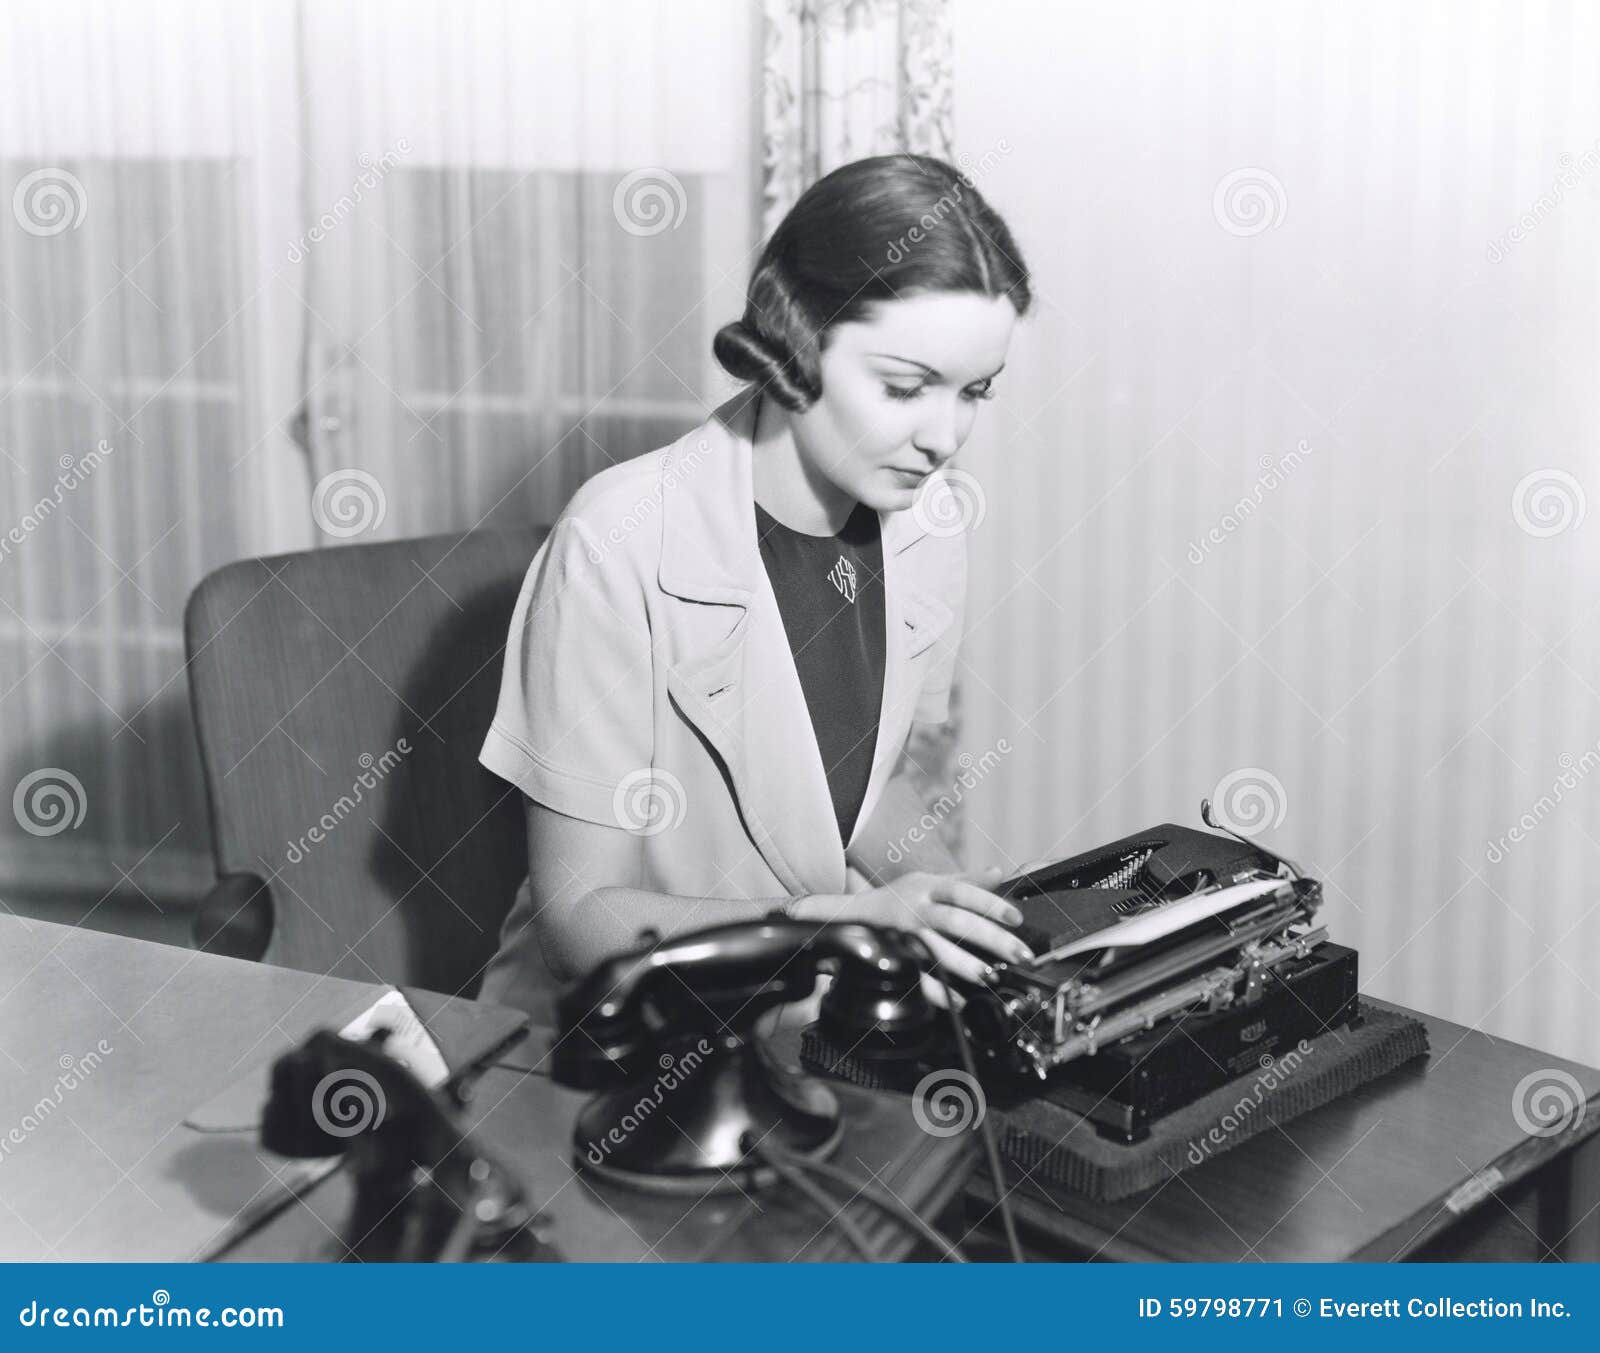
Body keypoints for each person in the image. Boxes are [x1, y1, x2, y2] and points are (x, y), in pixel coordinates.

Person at [477, 153, 1035, 1015]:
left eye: (975, 392)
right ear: (797, 338)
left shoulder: (928, 525)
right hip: (603, 1040)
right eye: (905, 387)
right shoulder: (614, 541)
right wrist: (839, 926)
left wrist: (968, 911)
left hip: (790, 1013)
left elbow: (855, 791)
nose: (944, 437)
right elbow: (580, 921)